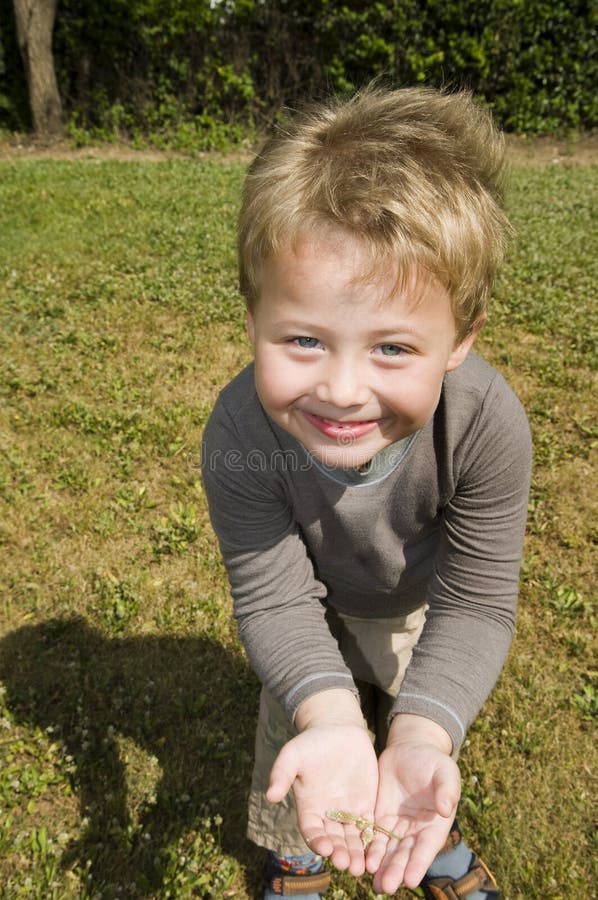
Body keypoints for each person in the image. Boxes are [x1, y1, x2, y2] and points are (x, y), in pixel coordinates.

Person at [201, 85, 532, 900]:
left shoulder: (487, 427)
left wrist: (421, 731)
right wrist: (330, 713)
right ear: (253, 317)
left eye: (391, 347)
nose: (343, 390)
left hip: (420, 608)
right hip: (308, 611)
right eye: (305, 339)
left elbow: (479, 602)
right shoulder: (242, 433)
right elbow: (274, 598)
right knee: (303, 739)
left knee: (420, 743)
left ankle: (430, 831)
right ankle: (295, 853)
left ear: (460, 339)